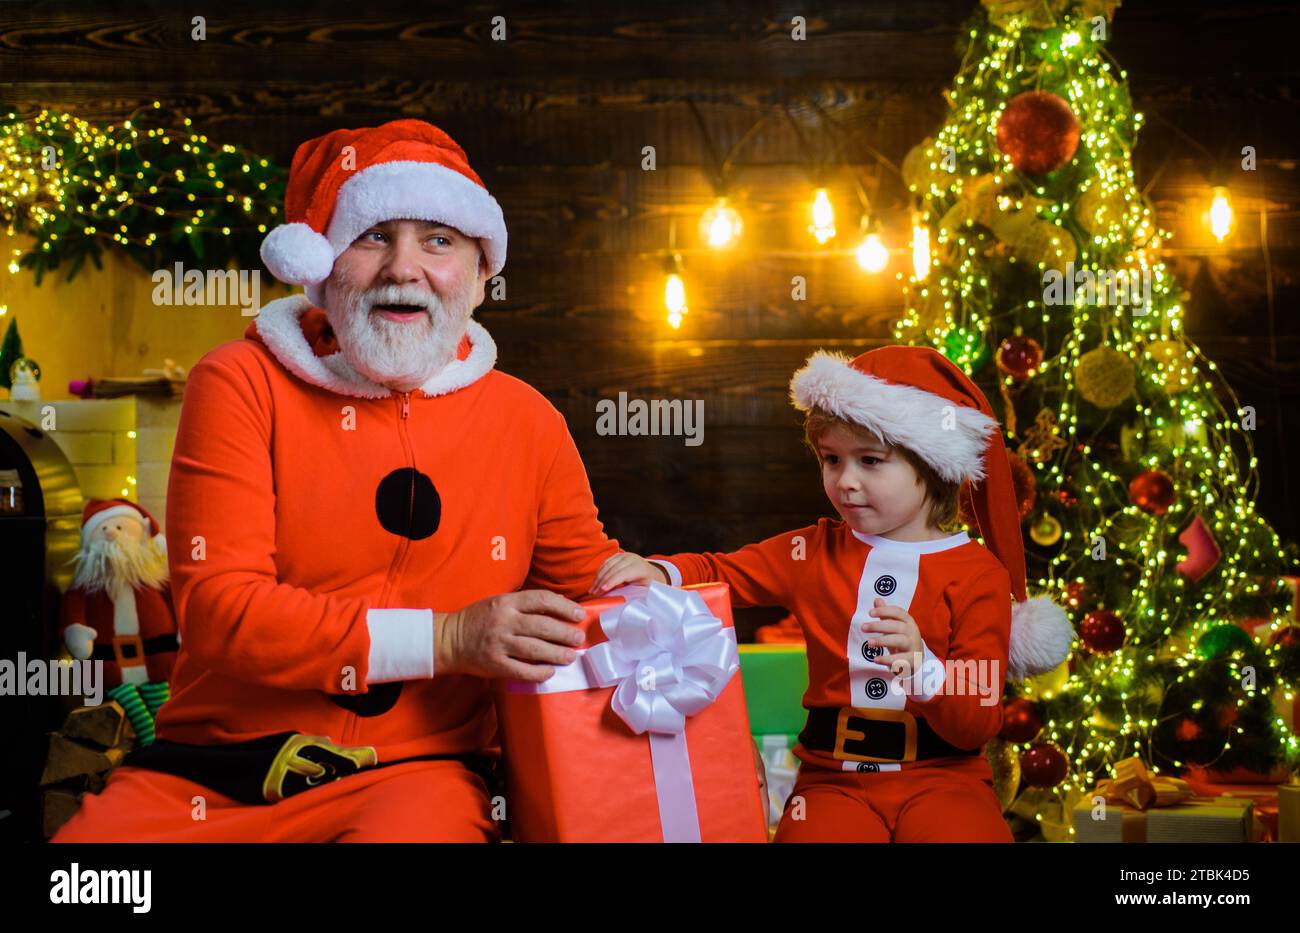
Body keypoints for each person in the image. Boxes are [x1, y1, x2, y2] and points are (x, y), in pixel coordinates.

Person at [54, 119, 617, 842]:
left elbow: (592, 579)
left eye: (438, 240)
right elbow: (222, 611)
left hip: (415, 776)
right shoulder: (238, 382)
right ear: (319, 265)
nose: (403, 268)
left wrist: (648, 578)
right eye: (373, 235)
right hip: (215, 771)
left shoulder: (526, 419)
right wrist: (445, 638)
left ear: (481, 275)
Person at [592, 345, 1073, 842]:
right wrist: (659, 571)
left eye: (870, 461)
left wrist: (924, 666)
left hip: (945, 779)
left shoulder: (978, 575)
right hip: (833, 781)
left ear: (931, 466)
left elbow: (975, 724)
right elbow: (722, 571)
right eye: (831, 460)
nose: (846, 481)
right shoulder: (811, 550)